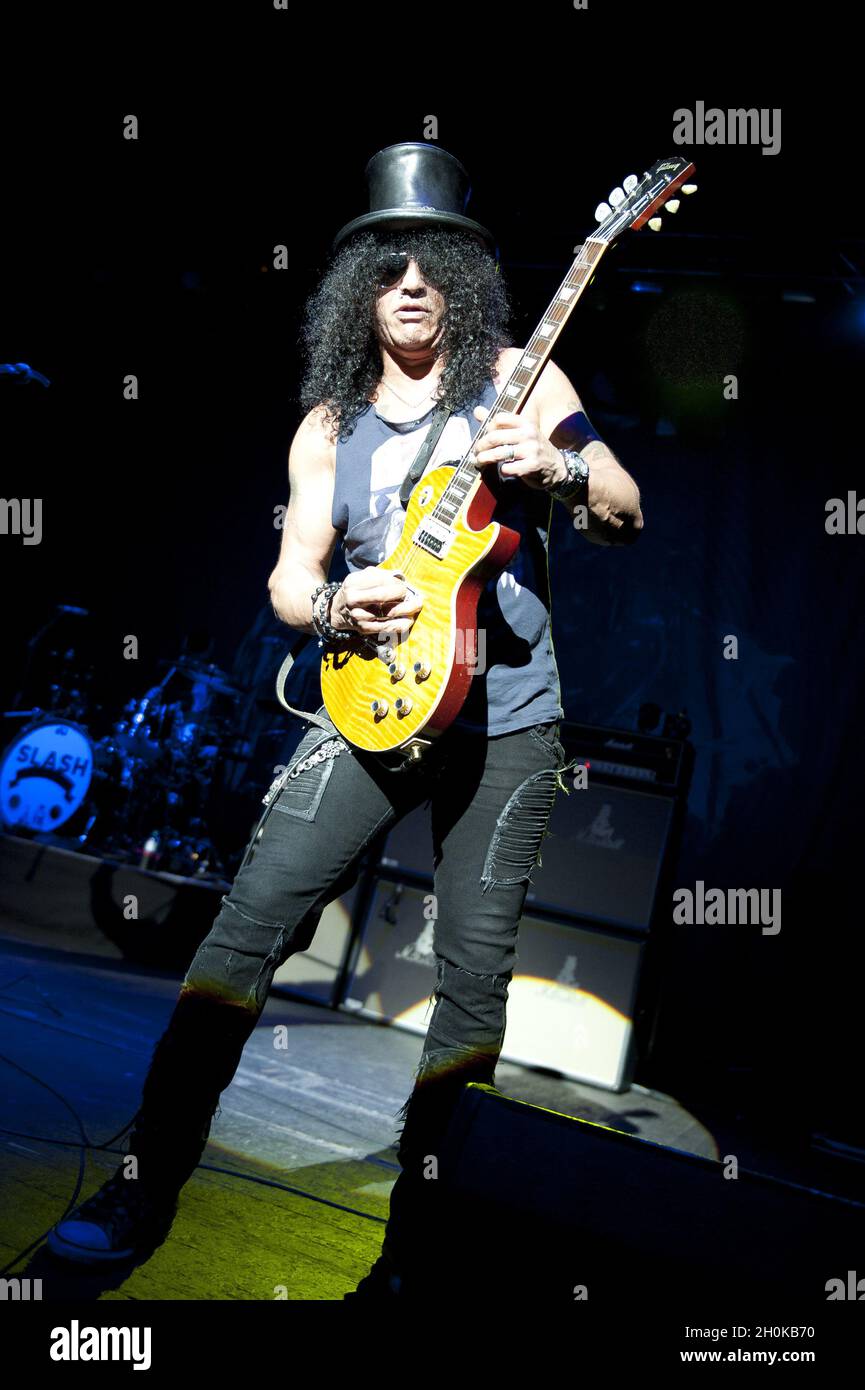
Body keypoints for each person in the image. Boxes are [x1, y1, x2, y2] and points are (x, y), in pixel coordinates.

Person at [47, 142, 643, 1294]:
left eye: (435, 264)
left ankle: (417, 1256)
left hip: (507, 722)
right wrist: (331, 601)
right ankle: (143, 1183)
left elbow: (625, 508)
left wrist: (560, 474)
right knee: (240, 940)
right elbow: (285, 579)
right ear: (356, 288)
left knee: (469, 989)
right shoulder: (328, 425)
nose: (412, 281)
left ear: (464, 283)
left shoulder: (523, 381)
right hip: (366, 706)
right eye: (388, 264)